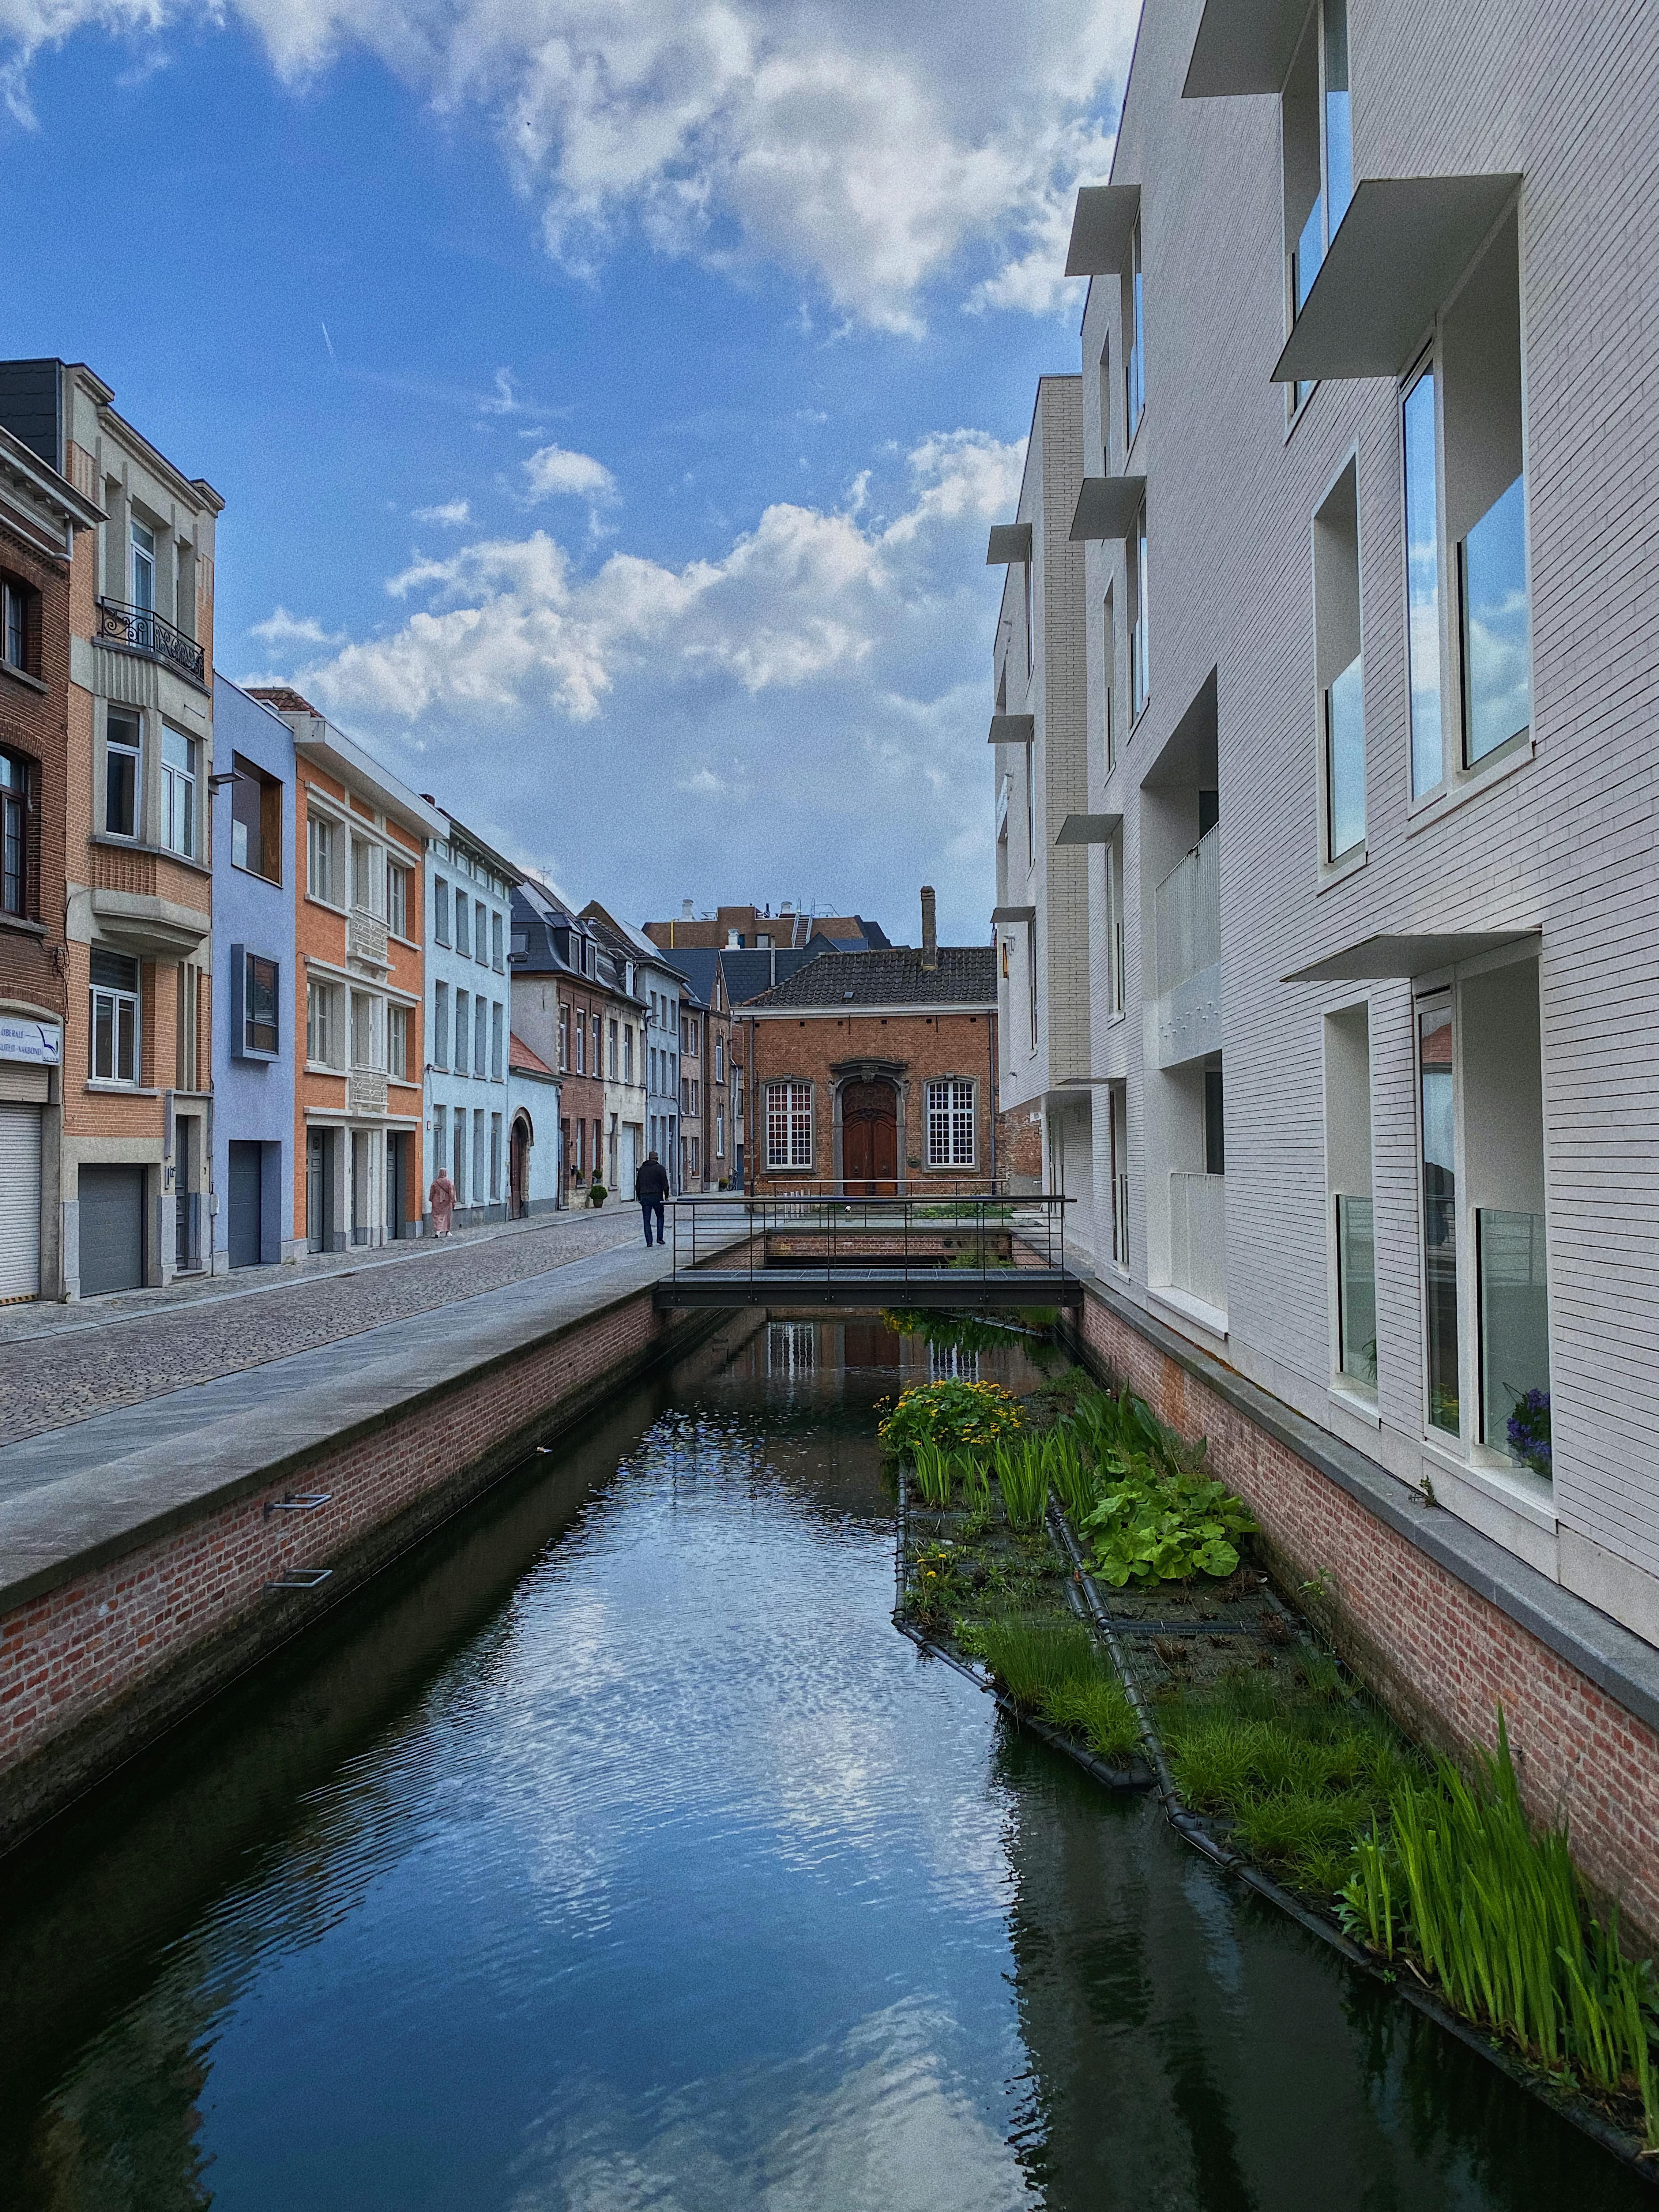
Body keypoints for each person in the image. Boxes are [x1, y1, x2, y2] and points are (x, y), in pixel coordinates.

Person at [635, 1150, 669, 1247]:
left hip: (645, 1197)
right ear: (657, 1159)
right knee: (660, 1217)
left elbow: (638, 1185)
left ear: (649, 1159)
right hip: (657, 1197)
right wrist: (666, 1196)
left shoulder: (642, 1169)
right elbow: (665, 1184)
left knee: (647, 1220)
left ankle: (649, 1242)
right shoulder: (661, 1169)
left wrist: (639, 1197)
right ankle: (660, 1238)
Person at [429, 1166, 456, 1238]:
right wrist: (453, 1201)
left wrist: (432, 1199)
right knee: (447, 1216)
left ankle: (438, 1231)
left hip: (436, 1201)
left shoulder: (436, 1182)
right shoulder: (449, 1182)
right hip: (447, 1201)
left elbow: (432, 1192)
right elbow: (452, 1192)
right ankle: (448, 1232)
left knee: (437, 1216)